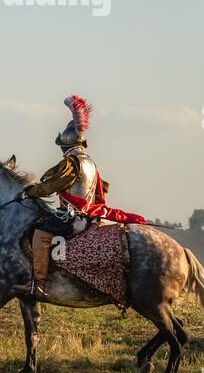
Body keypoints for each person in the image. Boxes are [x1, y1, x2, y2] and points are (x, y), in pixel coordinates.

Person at [10, 95, 147, 302]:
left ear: (66, 144)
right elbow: (101, 193)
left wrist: (28, 192)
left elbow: (51, 186)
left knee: (40, 234)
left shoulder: (71, 163)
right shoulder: (90, 163)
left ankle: (38, 285)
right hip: (88, 216)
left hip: (74, 218)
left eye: (61, 146)